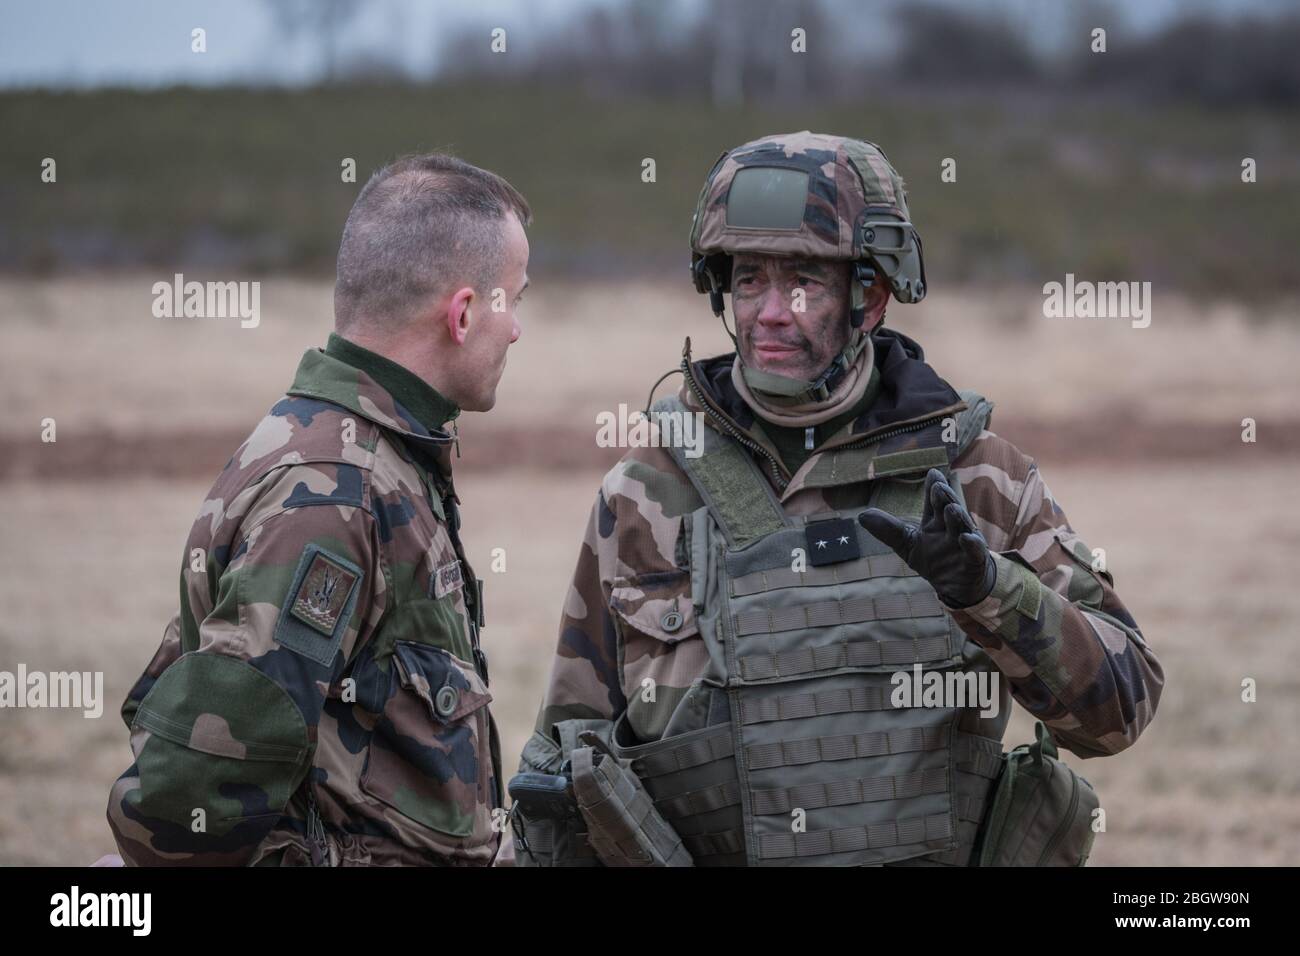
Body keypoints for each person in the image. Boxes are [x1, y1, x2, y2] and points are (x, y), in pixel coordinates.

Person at [512, 132, 1162, 867]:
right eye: (749, 280)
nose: (769, 313)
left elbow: (1120, 712)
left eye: (804, 283)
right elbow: (563, 773)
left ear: (872, 296)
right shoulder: (645, 494)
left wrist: (991, 594)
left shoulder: (979, 476)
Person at [105, 153, 531, 866]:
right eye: (512, 299)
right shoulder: (339, 489)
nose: (515, 328)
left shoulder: (365, 452)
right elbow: (190, 803)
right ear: (462, 314)